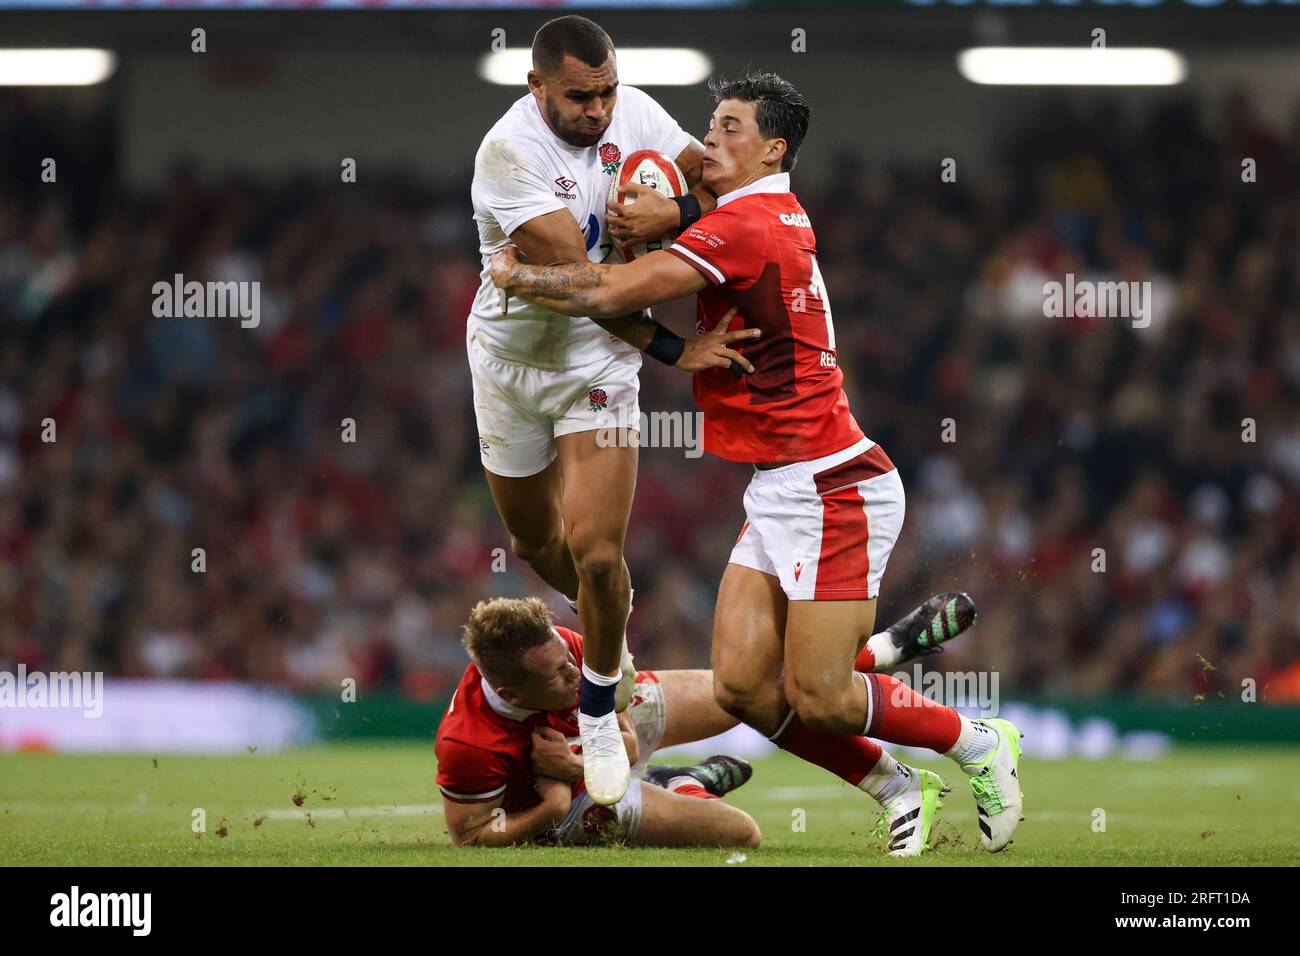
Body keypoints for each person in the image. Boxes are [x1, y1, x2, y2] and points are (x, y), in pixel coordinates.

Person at [486, 71, 1024, 856]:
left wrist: (516, 274)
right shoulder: (749, 212)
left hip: (834, 482)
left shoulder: (747, 225)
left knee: (823, 695)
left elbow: (613, 296)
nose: (710, 138)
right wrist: (672, 221)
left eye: (730, 127)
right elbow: (666, 258)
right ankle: (895, 783)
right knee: (741, 686)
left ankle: (977, 742)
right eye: (711, 123)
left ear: (773, 148)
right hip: (782, 485)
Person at [467, 15, 754, 807]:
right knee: (535, 543)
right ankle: (612, 643)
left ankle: (599, 703)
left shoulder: (638, 115)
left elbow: (724, 191)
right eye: (578, 98)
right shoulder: (509, 153)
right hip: (513, 361)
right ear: (537, 88)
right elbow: (587, 285)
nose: (597, 112)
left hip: (599, 362)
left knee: (597, 554)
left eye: (605, 93)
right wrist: (676, 350)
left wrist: (681, 216)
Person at [436, 592, 978, 850]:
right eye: (556, 677)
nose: (574, 673)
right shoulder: (468, 745)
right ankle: (683, 783)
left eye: (569, 659)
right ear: (509, 692)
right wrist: (551, 806)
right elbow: (470, 835)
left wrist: (582, 753)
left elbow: (619, 737)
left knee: (747, 691)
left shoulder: (570, 653)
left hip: (594, 749)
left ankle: (878, 649)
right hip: (578, 801)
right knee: (744, 834)